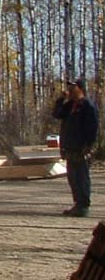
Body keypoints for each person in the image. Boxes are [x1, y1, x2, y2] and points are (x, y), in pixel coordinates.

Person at [53, 77, 98, 217]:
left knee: (81, 177)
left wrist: (88, 146)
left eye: (73, 87)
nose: (70, 90)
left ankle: (83, 205)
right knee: (73, 178)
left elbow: (93, 128)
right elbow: (57, 114)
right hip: (70, 148)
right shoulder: (70, 105)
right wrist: (61, 99)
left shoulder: (88, 106)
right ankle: (78, 204)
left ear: (80, 88)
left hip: (81, 148)